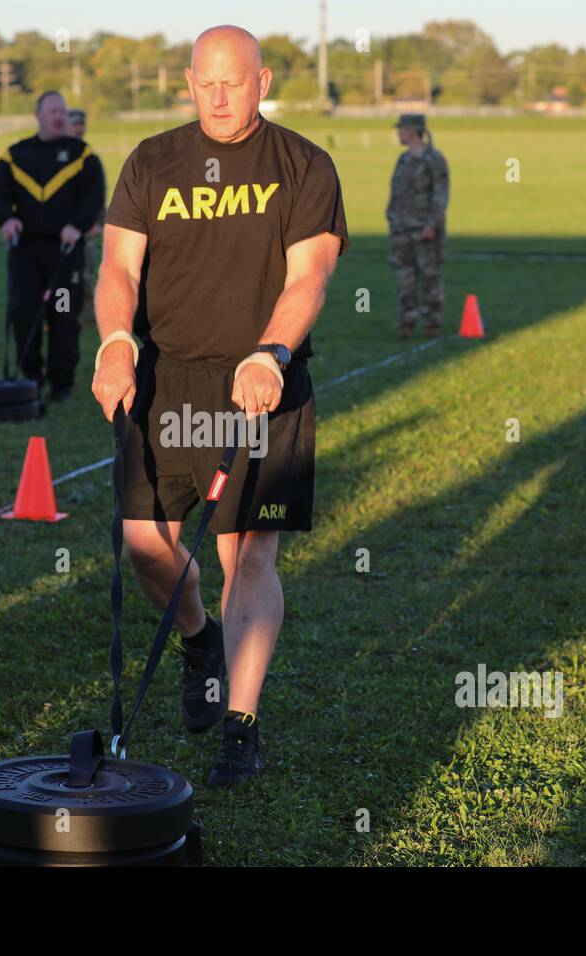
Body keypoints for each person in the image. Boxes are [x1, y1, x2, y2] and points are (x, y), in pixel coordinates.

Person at [91, 24, 347, 787]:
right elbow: (117, 267)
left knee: (248, 552)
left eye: (234, 82)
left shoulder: (303, 164)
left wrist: (271, 352)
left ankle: (241, 724)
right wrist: (112, 340)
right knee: (145, 544)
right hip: (168, 379)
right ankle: (198, 637)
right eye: (206, 82)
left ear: (263, 82)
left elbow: (310, 277)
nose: (220, 96)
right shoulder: (152, 161)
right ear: (189, 81)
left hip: (260, 382)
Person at [0, 92, 106, 400]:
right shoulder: (15, 155)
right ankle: (31, 375)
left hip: (65, 251)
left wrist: (77, 226)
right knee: (24, 311)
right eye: (53, 111)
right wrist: (6, 220)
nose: (59, 116)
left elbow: (94, 195)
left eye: (62, 112)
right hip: (25, 250)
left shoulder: (82, 154)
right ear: (38, 115)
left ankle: (61, 384)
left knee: (63, 316)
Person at [386, 114, 449, 339]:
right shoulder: (403, 159)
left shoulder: (434, 159)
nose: (398, 134)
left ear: (412, 130)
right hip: (401, 230)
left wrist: (432, 225)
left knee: (430, 277)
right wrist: (392, 219)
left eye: (401, 129)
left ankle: (432, 323)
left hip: (425, 230)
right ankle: (407, 323)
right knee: (405, 278)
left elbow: (440, 196)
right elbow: (396, 194)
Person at [67, 108, 106, 334]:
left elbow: (97, 195)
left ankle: (94, 316)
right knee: (64, 277)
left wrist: (97, 223)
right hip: (60, 230)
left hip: (84, 230)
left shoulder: (88, 158)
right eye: (75, 124)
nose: (79, 128)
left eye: (82, 124)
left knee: (84, 275)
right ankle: (61, 315)